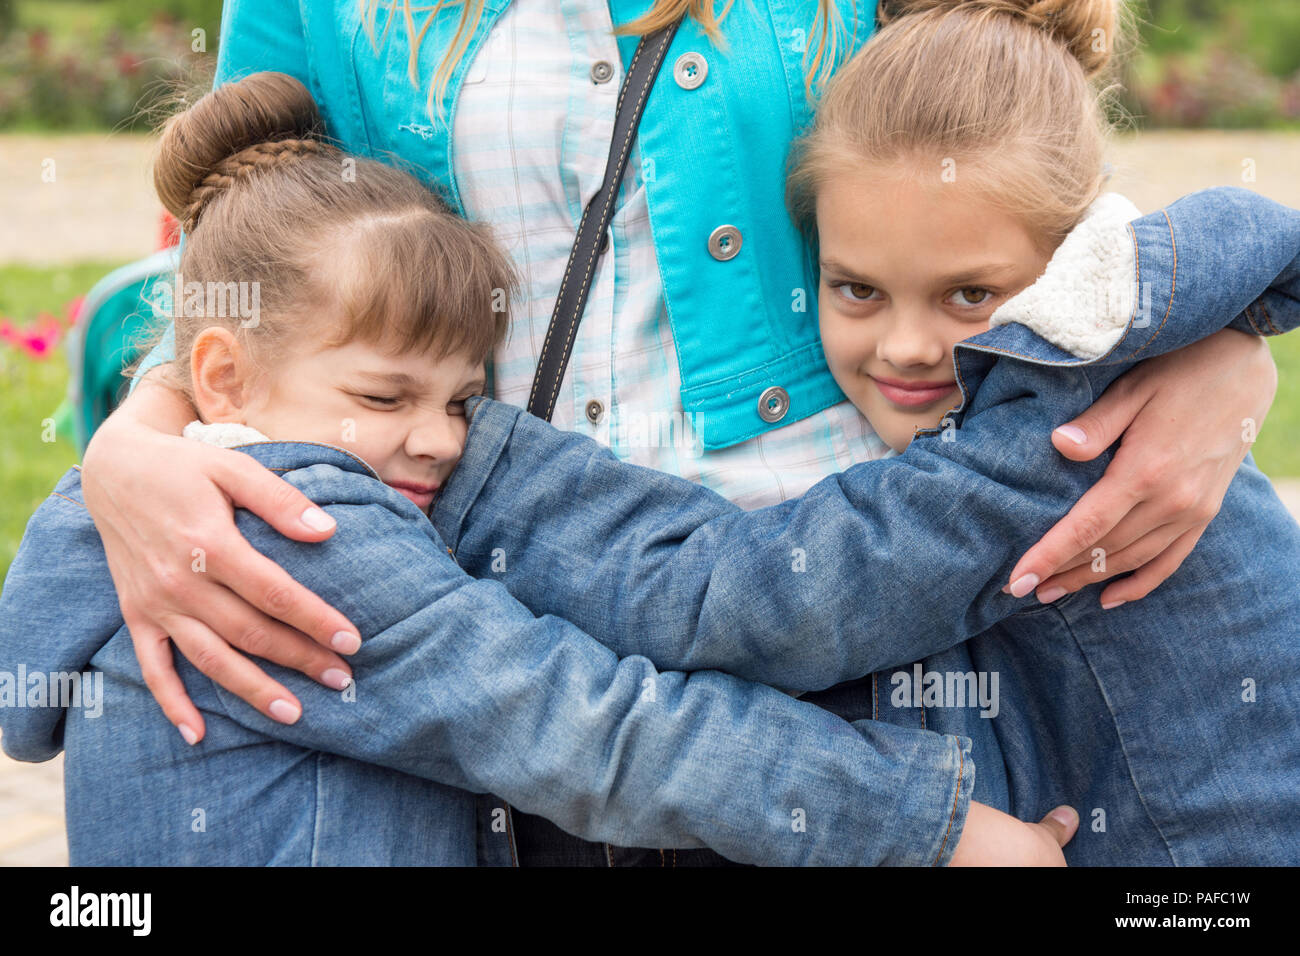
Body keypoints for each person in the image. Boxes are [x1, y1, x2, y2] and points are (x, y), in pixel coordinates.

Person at [80, 0, 1279, 866]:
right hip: (505, 617)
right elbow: (243, 269)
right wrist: (136, 432)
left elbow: (1019, 168)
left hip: (858, 628)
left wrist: (1209, 341)